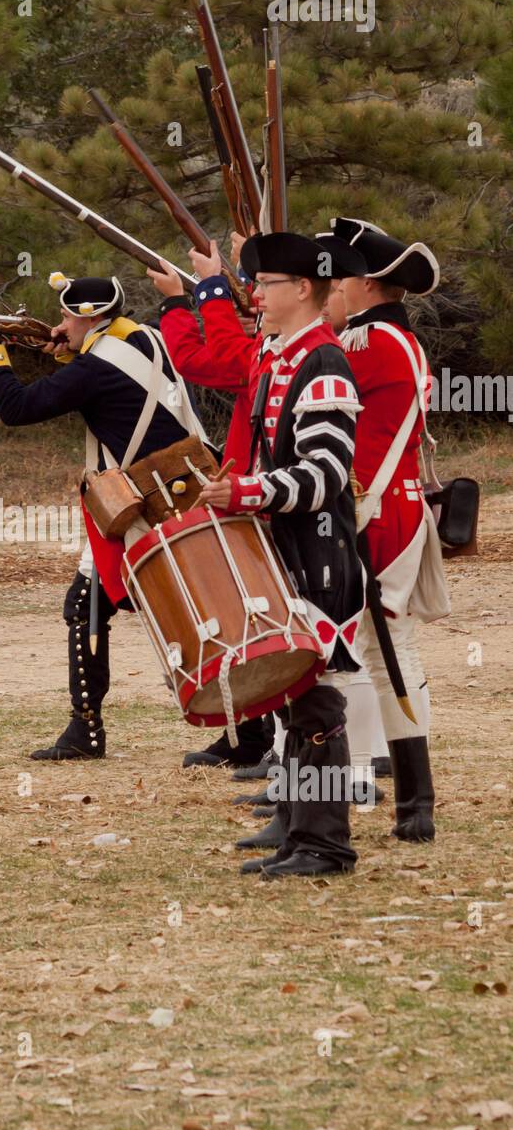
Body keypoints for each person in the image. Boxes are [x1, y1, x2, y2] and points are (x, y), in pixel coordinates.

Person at [0, 272, 206, 761]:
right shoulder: (143, 338)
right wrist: (74, 347)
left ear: (91, 317)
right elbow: (112, 380)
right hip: (171, 491)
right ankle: (85, 729)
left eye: (69, 315)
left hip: (148, 504)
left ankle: (90, 730)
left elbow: (17, 407)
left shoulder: (96, 366)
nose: (61, 323)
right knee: (90, 607)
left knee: (189, 615)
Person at [196, 230, 369, 878]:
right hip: (290, 553)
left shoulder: (323, 364)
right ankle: (300, 832)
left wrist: (245, 490)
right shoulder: (282, 354)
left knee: (317, 702)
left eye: (266, 286)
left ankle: (326, 845)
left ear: (302, 289)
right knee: (297, 697)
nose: (255, 296)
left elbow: (324, 476)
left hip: (319, 557)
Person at [317, 218, 447, 841]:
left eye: (337, 278)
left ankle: (413, 803)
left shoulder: (368, 341)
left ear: (365, 284)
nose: (331, 290)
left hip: (373, 511)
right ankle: (404, 799)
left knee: (384, 652)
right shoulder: (385, 338)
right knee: (379, 652)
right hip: (387, 506)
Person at [149, 242, 273, 771]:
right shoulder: (281, 343)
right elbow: (207, 358)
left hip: (272, 492)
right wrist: (223, 281)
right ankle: (259, 741)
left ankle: (303, 757)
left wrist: (205, 292)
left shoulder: (288, 348)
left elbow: (212, 359)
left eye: (266, 285)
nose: (261, 297)